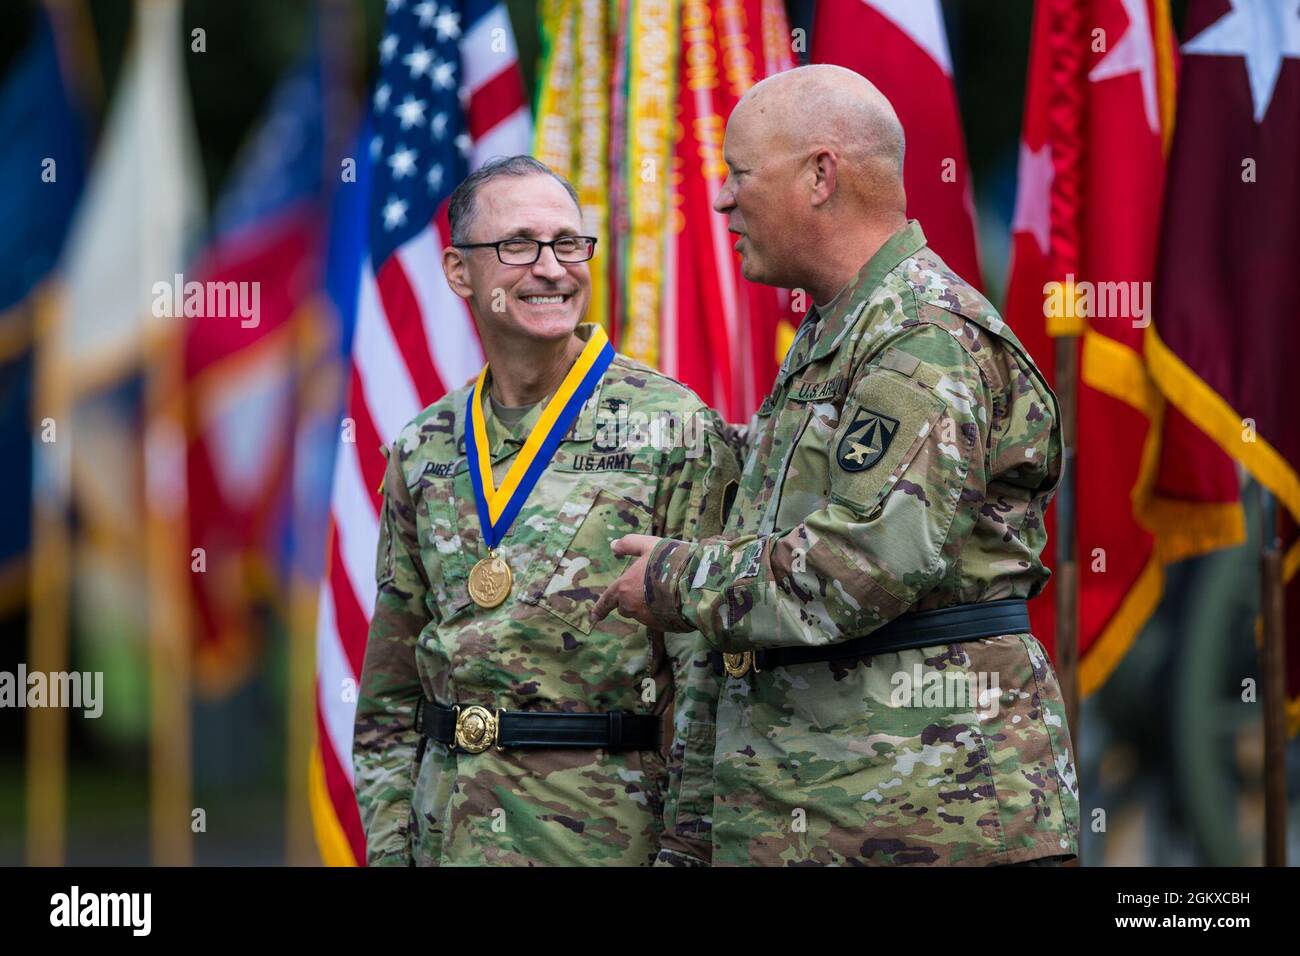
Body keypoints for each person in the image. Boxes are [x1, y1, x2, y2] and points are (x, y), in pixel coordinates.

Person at [593, 65, 1080, 866]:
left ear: (821, 176)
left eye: (739, 174)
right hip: (839, 808)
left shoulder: (920, 338)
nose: (721, 200)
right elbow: (769, 498)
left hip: (929, 820)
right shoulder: (843, 330)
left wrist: (676, 583)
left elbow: (860, 566)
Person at [353, 155, 739, 866]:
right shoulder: (423, 445)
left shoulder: (674, 428)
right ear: (459, 271)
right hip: (449, 839)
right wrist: (389, 850)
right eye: (518, 245)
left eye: (568, 243)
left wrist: (687, 852)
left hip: (605, 838)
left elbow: (712, 676)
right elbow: (391, 688)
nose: (552, 268)